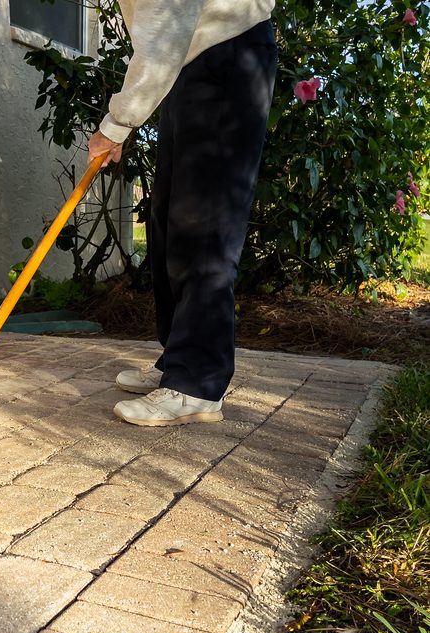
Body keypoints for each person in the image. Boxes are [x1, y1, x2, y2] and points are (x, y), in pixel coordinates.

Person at [88, 0, 278, 427]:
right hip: (193, 64)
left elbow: (166, 31)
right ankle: (177, 360)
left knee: (204, 226)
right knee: (169, 221)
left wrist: (117, 123)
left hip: (226, 57)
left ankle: (197, 384)